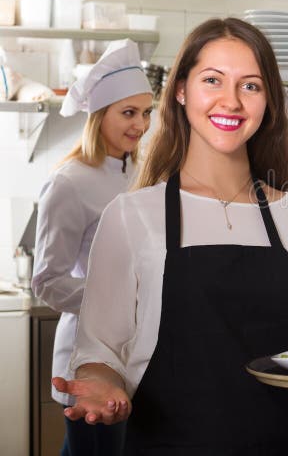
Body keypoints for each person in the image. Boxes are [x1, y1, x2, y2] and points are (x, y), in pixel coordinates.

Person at [51, 18, 288, 454]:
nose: (231, 101)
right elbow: (101, 352)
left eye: (251, 86)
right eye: (213, 80)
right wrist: (101, 386)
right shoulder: (133, 216)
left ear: (268, 102)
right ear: (181, 91)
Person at [32, 38, 154, 456]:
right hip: (88, 353)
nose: (140, 125)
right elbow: (47, 282)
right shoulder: (69, 182)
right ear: (99, 115)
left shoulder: (139, 171)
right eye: (128, 113)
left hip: (136, 353)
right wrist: (118, 298)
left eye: (146, 113)